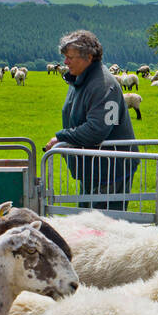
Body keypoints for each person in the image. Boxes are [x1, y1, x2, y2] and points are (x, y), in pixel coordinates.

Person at [46, 29, 137, 211]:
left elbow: (97, 129)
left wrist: (62, 137)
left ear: (88, 57)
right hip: (93, 167)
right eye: (65, 56)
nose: (65, 62)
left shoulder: (104, 85)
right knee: (86, 223)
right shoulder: (81, 80)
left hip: (111, 170)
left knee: (104, 226)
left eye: (70, 57)